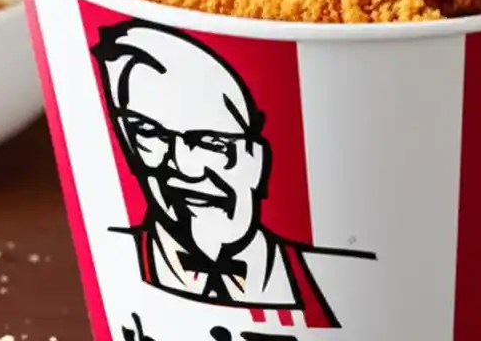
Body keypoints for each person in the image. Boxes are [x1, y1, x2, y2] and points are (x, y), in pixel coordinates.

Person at [93, 21, 341, 327]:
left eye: (213, 142)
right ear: (129, 147)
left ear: (256, 160)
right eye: (152, 135)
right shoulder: (111, 259)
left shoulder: (345, 279)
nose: (186, 167)